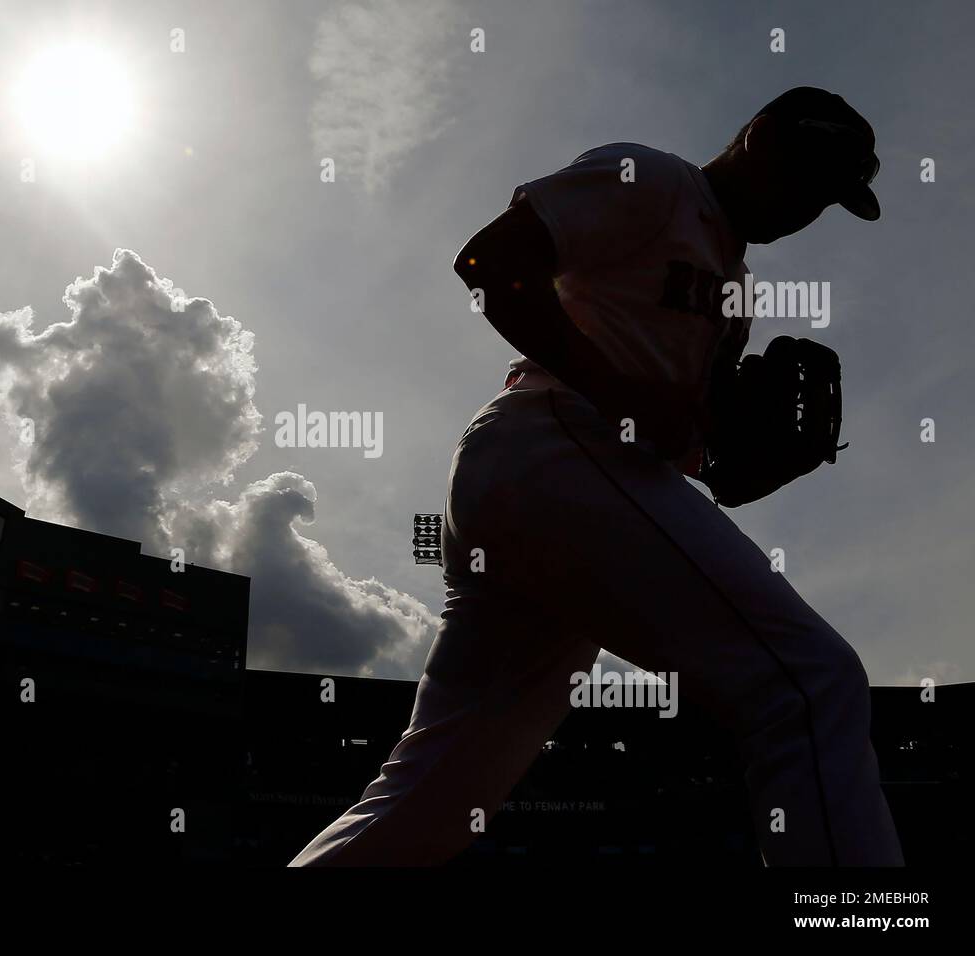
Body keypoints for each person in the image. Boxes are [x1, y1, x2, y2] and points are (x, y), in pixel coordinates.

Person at [289, 87, 902, 867]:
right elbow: (489, 261)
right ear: (758, 138)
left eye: (830, 197)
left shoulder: (735, 287)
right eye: (808, 175)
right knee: (810, 683)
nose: (810, 204)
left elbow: (691, 446)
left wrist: (743, 459)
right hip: (554, 443)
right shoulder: (653, 180)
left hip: (570, 498)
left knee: (439, 787)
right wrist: (623, 393)